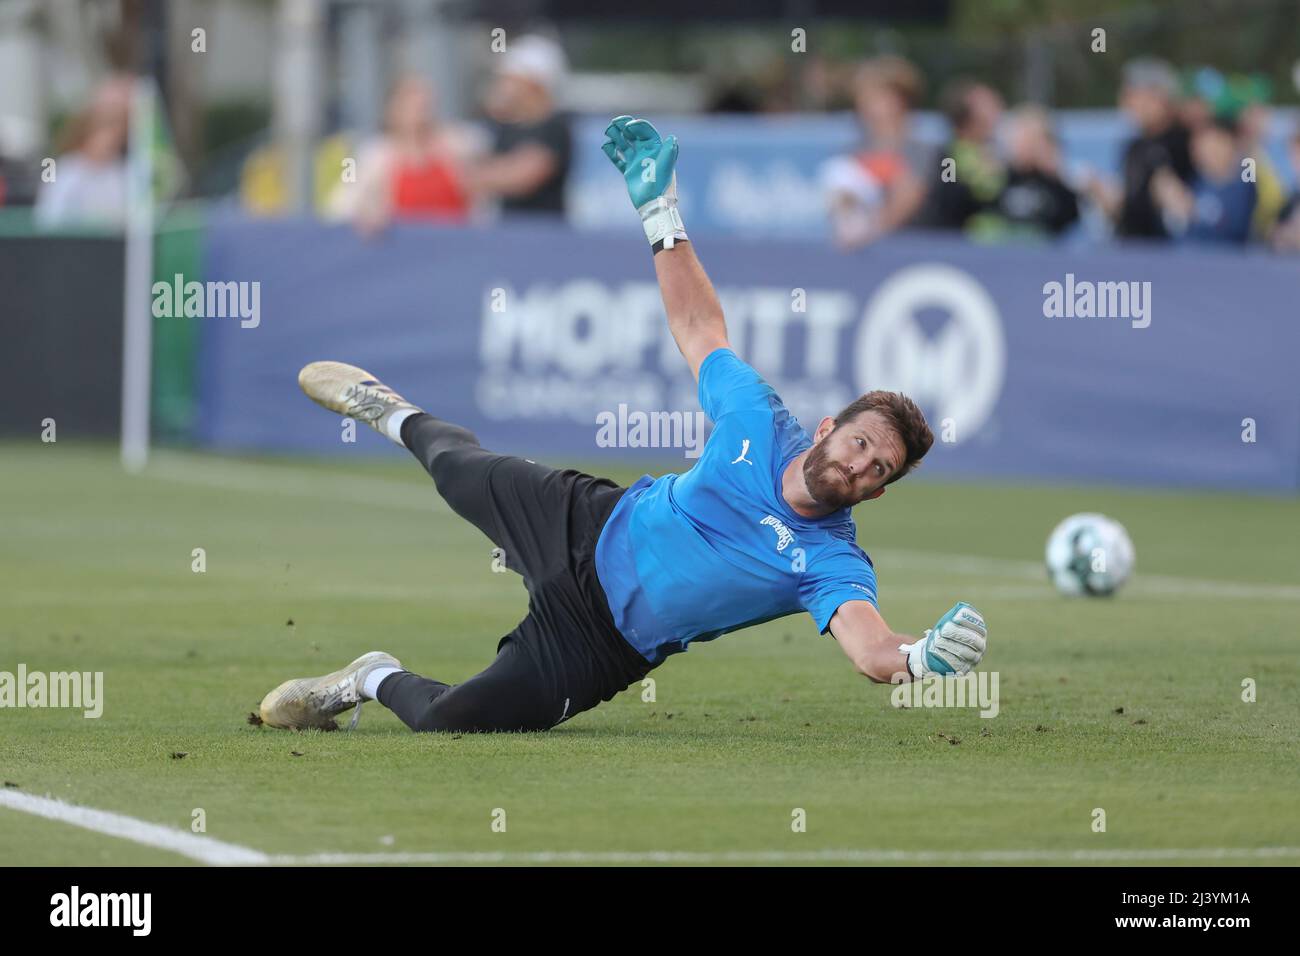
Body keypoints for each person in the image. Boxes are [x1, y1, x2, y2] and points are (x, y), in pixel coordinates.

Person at [256, 116, 988, 735]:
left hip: (599, 643)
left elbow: (872, 651)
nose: (860, 467)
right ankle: (394, 412)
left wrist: (921, 659)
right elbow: (700, 325)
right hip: (586, 521)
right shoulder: (758, 419)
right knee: (454, 467)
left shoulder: (831, 562)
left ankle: (364, 680)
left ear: (880, 491)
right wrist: (659, 212)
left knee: (452, 723)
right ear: (830, 426)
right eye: (861, 444)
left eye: (878, 470)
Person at [327, 75, 472, 234]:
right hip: (401, 251)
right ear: (393, 110)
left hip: (456, 248)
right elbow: (340, 204)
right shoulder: (373, 154)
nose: (420, 112)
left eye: (425, 105)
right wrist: (367, 213)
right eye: (411, 105)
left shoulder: (457, 146)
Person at [821, 55, 930, 248]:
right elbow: (841, 199)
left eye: (876, 96)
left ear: (899, 100)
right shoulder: (853, 152)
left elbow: (908, 196)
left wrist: (873, 229)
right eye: (863, 96)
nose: (866, 104)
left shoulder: (923, 151)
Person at [1085, 58, 1194, 240]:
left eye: (1135, 95)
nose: (1129, 104)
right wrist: (1109, 201)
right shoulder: (1133, 146)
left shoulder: (1186, 143)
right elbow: (1128, 209)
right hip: (1131, 250)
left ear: (1160, 98)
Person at [464, 34, 572, 216]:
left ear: (533, 85)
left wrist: (473, 174)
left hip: (545, 237)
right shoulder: (505, 127)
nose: (505, 85)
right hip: (509, 235)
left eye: (513, 78)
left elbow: (523, 177)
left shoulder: (554, 127)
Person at [34, 75, 132, 229]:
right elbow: (48, 216)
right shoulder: (65, 169)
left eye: (116, 130)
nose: (109, 139)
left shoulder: (123, 173)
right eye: (103, 129)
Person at [1151, 115, 1256, 244]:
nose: (1205, 151)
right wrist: (1167, 208)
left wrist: (1188, 209)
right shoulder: (1194, 183)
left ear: (1229, 143)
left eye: (1214, 143)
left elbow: (1233, 229)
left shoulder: (1244, 182)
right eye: (1198, 145)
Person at [920, 79, 1006, 236]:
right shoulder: (949, 158)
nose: (997, 109)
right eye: (988, 104)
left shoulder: (1001, 154)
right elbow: (948, 201)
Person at [993, 104, 1080, 239]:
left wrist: (1054, 175)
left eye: (1032, 140)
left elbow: (1069, 218)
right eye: (1021, 137)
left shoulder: (1054, 181)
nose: (1025, 145)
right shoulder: (1001, 177)